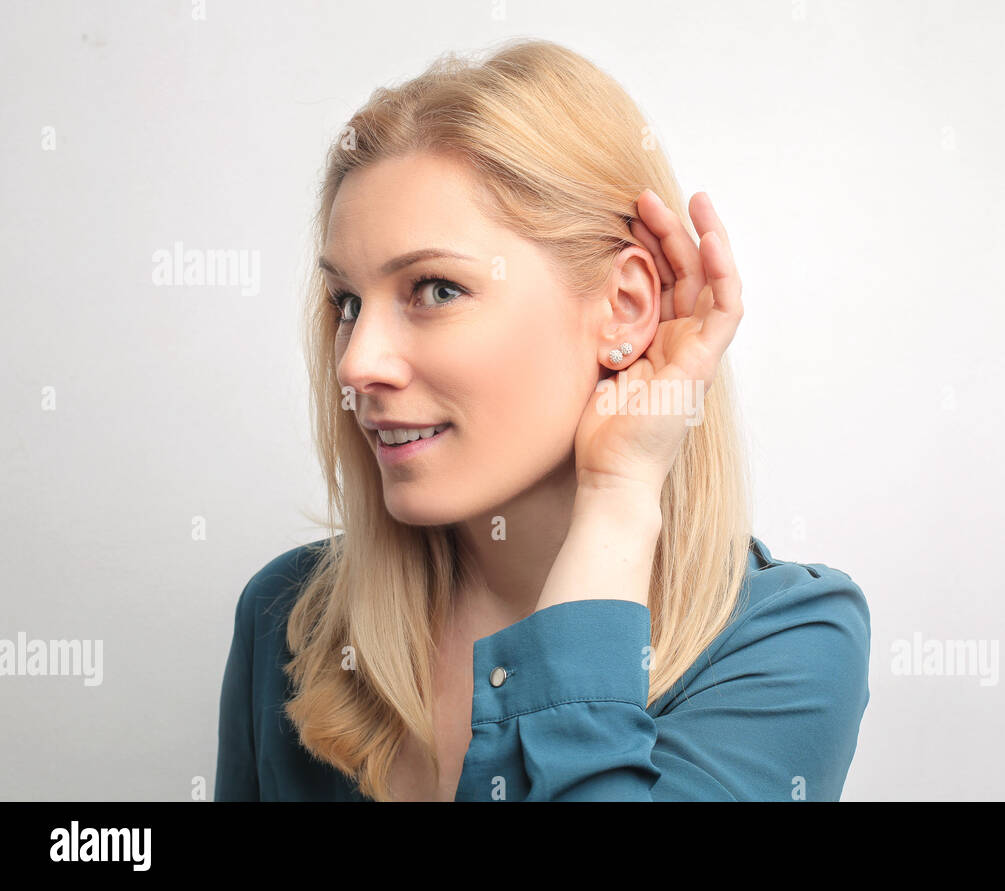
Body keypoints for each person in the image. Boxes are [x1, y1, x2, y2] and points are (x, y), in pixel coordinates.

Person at [216, 37, 870, 802]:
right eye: (347, 304)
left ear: (623, 308)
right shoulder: (288, 617)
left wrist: (619, 498)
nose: (357, 363)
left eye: (434, 289)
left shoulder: (787, 646)